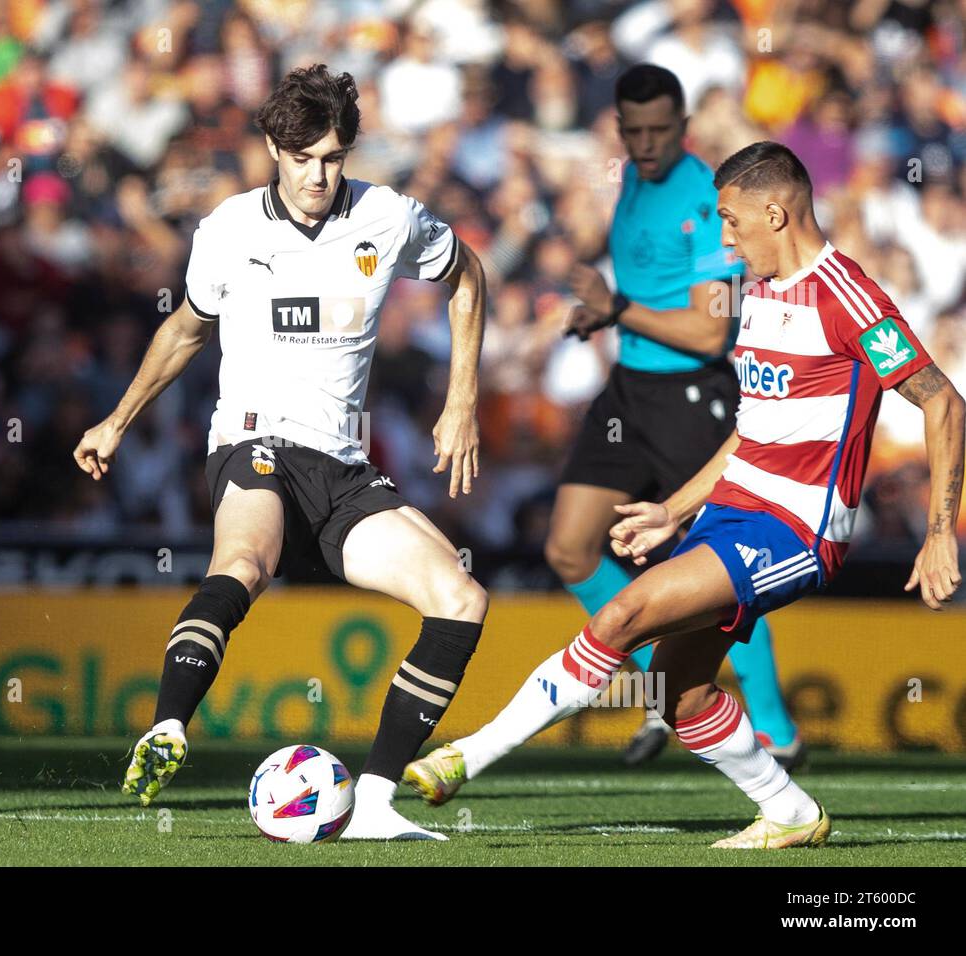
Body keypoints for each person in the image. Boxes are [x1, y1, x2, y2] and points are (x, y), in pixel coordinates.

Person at [406, 141, 963, 849]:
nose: (725, 238)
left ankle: (465, 756)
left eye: (731, 220)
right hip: (730, 513)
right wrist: (673, 510)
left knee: (624, 613)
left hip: (795, 528)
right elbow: (749, 434)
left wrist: (939, 533)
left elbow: (943, 401)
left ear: (775, 213)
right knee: (677, 689)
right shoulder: (760, 293)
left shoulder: (846, 296)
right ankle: (791, 814)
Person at [73, 64, 489, 841]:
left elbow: (468, 276)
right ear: (272, 148)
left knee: (461, 600)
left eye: (332, 158)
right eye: (302, 159)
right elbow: (185, 330)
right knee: (244, 564)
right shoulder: (228, 230)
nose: (317, 177)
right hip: (254, 442)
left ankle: (372, 806)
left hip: (344, 469)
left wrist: (462, 399)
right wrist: (116, 421)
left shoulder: (389, 217)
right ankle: (167, 726)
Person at [555, 64, 800, 766]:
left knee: (721, 567)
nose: (646, 144)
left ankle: (777, 732)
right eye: (634, 132)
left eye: (660, 130)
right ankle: (661, 692)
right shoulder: (633, 179)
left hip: (694, 394)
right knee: (570, 547)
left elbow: (709, 332)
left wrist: (615, 309)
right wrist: (602, 315)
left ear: (684, 127)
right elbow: (646, 287)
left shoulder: (705, 200)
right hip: (629, 389)